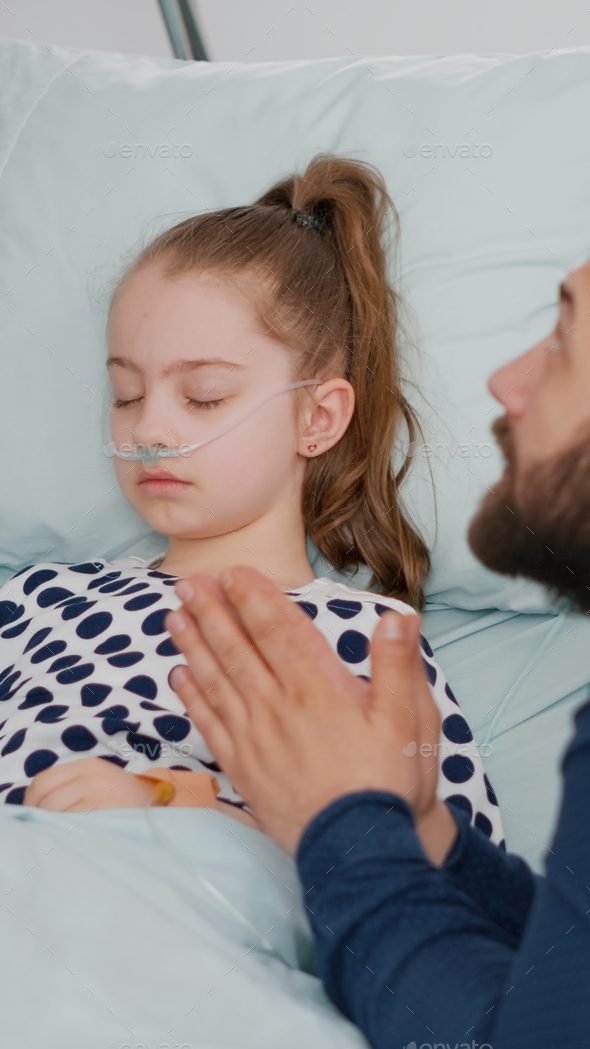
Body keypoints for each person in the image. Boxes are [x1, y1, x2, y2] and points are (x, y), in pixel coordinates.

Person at [0, 154, 500, 850]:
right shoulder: (39, 599)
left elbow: (444, 886)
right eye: (127, 394)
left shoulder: (366, 645)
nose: (150, 429)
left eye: (204, 394)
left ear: (317, 418)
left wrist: (169, 799)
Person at [165, 260, 590, 1048]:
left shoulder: (366, 630)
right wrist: (429, 839)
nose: (504, 380)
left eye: (564, 341)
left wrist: (344, 827)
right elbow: (566, 978)